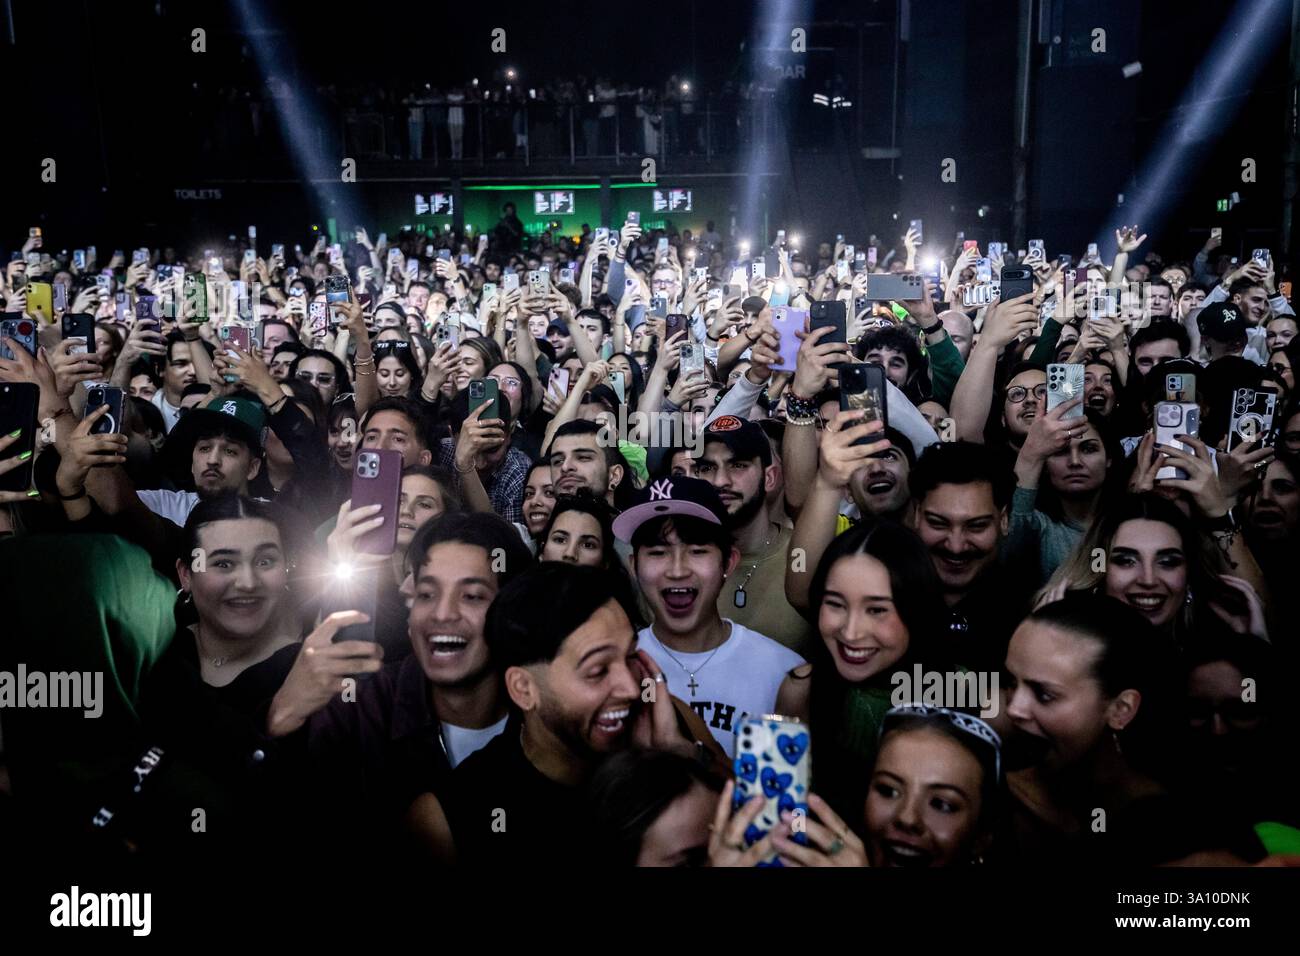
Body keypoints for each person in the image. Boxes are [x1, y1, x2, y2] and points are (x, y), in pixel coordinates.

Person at [404, 562, 722, 865]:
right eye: (597, 671)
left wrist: (681, 757)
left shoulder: (667, 723)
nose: (630, 687)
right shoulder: (450, 819)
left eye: (629, 657)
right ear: (523, 689)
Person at [1002, 595, 1264, 864]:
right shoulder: (991, 796)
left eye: (1044, 695)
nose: (1014, 709)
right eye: (1011, 683)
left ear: (1121, 709)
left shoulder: (1189, 821)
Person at [614, 475, 805, 753]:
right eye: (657, 552)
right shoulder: (619, 672)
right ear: (634, 566)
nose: (677, 570)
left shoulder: (783, 674)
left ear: (728, 562)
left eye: (697, 550)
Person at [694, 416, 814, 653]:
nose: (720, 481)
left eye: (738, 465)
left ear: (769, 478)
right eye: (707, 468)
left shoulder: (802, 557)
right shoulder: (678, 565)